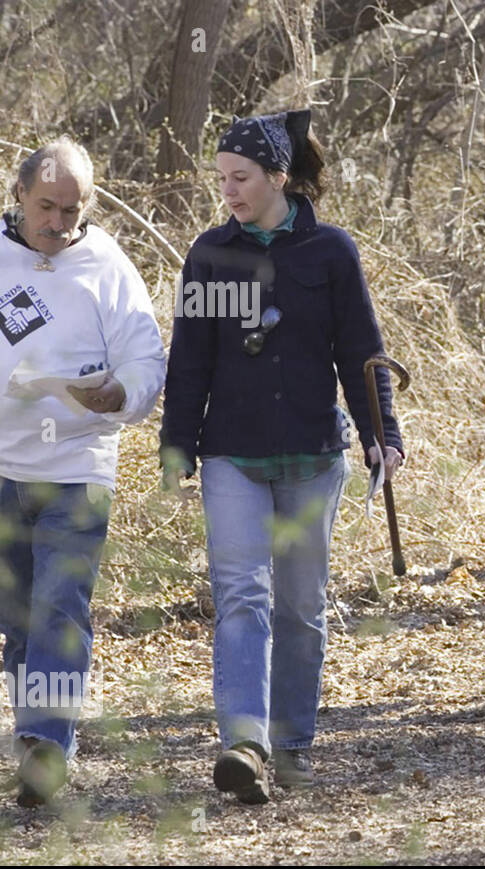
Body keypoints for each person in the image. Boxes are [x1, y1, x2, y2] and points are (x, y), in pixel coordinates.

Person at [160, 109, 404, 804]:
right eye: (222, 180)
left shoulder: (330, 252)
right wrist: (177, 445)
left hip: (312, 456)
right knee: (241, 595)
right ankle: (244, 741)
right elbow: (190, 363)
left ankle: (291, 741)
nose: (229, 192)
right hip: (232, 456)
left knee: (299, 604)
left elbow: (363, 351)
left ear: (278, 176)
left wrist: (382, 432)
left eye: (240, 179)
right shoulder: (210, 254)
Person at [0, 138, 165, 806]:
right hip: (5, 466)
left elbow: (145, 358)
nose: (60, 224)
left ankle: (43, 741)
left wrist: (120, 394)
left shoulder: (107, 265)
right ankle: (40, 737)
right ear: (18, 196)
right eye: (48, 207)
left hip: (79, 465)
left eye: (73, 210)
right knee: (19, 620)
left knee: (60, 608)